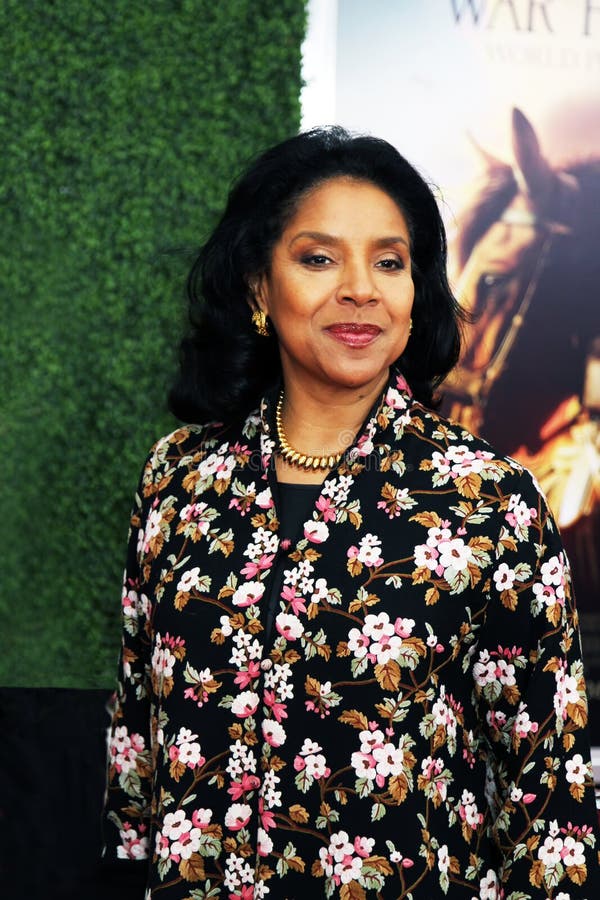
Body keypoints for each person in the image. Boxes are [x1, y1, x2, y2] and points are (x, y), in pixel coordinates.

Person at [102, 127, 600, 898]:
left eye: (390, 262)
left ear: (415, 293)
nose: (361, 288)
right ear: (258, 287)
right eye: (319, 257)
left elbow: (552, 799)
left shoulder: (489, 501)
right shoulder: (180, 478)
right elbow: (140, 737)